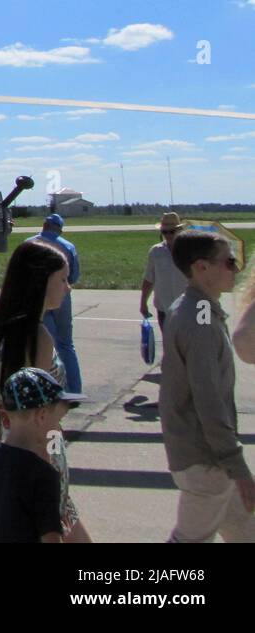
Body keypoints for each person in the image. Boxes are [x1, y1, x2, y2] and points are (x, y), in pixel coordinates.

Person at [0, 238, 92, 542]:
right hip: (39, 447)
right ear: (41, 281)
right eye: (63, 279)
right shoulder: (37, 338)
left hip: (5, 443)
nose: (68, 287)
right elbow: (38, 411)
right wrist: (47, 463)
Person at [159, 230, 255, 543]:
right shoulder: (198, 319)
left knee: (245, 531)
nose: (236, 269)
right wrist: (235, 463)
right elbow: (209, 400)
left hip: (210, 458)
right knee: (190, 539)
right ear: (201, 268)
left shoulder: (199, 309)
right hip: (206, 460)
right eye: (228, 262)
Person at [0, 367, 78, 543]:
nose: (59, 429)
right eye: (58, 420)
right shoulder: (44, 475)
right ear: (42, 416)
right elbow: (51, 538)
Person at [32, 213, 83, 396]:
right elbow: (74, 276)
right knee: (66, 344)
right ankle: (75, 391)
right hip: (62, 296)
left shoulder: (30, 244)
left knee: (44, 344)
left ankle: (49, 390)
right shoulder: (68, 246)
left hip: (37, 298)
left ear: (44, 225)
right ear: (59, 229)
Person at [140, 212, 190, 335]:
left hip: (188, 308)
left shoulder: (191, 251)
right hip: (164, 308)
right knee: (169, 346)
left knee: (189, 345)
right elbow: (149, 279)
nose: (168, 235)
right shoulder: (156, 251)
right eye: (164, 232)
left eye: (171, 231)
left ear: (179, 230)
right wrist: (143, 303)